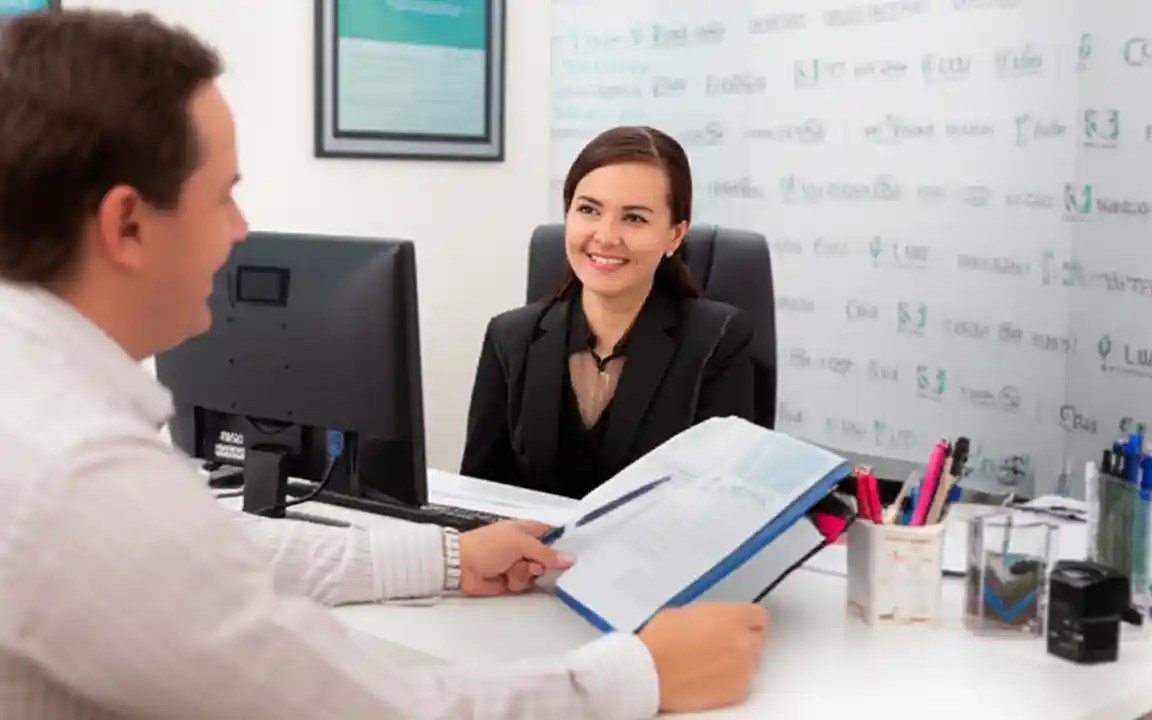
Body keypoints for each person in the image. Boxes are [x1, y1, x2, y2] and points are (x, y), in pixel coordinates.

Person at [0, 10, 768, 719]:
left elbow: (221, 550)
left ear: (674, 233)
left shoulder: (40, 411)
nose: (240, 231)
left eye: (636, 216)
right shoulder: (80, 474)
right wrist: (639, 677)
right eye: (223, 197)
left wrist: (445, 555)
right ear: (127, 223)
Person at [461, 126, 756, 499]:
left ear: (675, 235)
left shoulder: (718, 341)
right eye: (588, 210)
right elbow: (476, 500)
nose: (605, 235)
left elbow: (728, 508)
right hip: (534, 557)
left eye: (634, 218)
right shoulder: (510, 338)